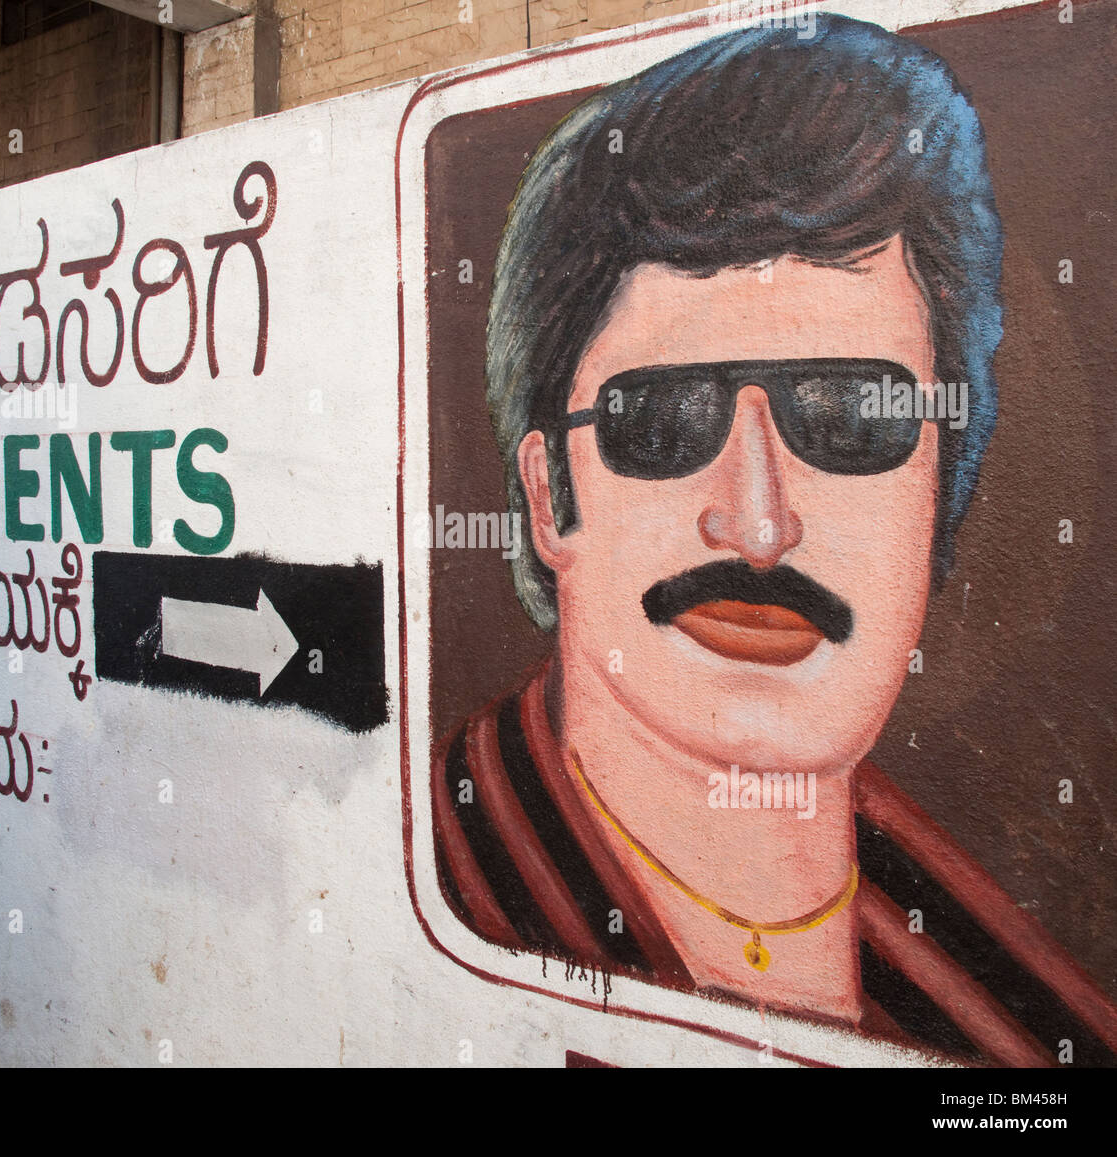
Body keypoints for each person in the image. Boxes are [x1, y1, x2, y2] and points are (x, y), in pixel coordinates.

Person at [431, 13, 1117, 1065]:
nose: (756, 522)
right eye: (662, 421)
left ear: (938, 485)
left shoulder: (1040, 1027)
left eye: (852, 418)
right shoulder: (442, 896)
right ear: (546, 494)